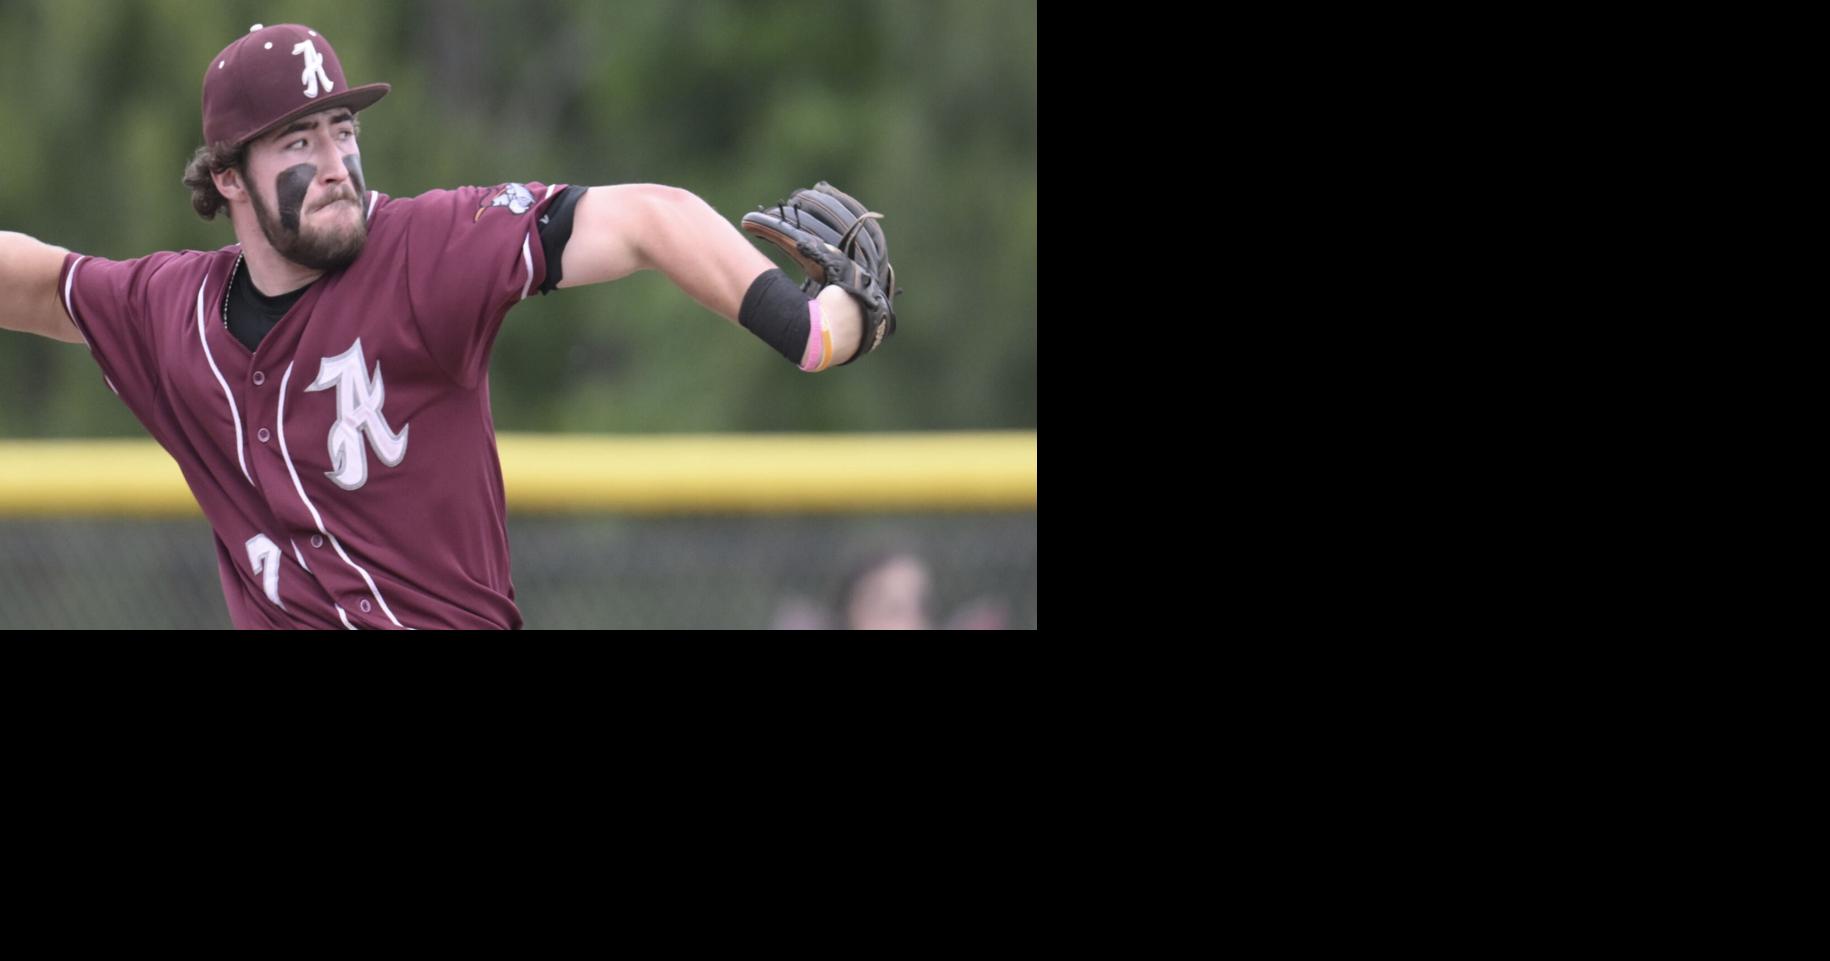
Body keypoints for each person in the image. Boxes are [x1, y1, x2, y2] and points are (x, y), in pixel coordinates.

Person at [0, 23, 896, 629]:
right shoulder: (174, 315)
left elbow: (644, 218)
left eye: (342, 128)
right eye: (298, 142)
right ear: (227, 178)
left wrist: (812, 329)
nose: (336, 162)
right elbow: (41, 283)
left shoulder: (424, 250)